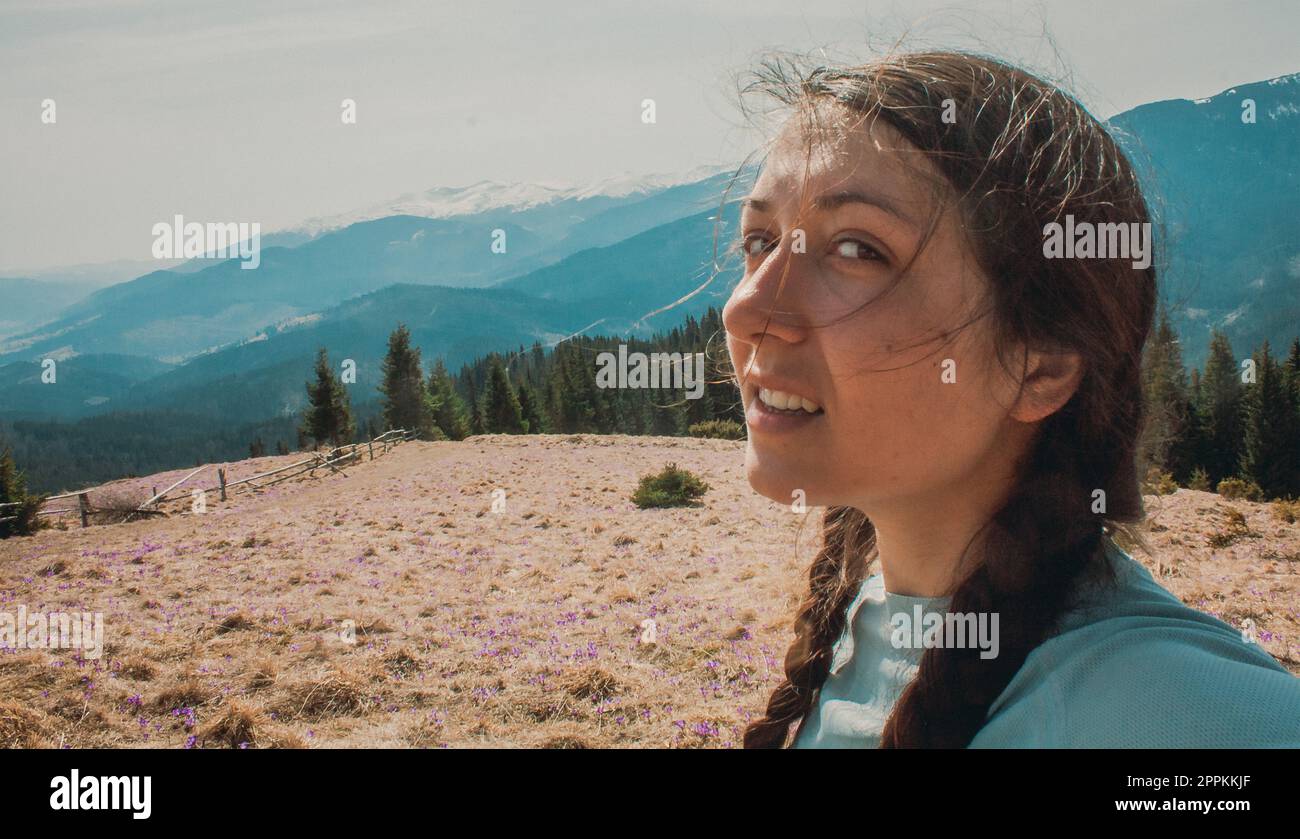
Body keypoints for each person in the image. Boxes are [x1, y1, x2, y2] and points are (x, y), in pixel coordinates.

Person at [720, 50, 1300, 748]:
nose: (747, 307)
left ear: (1041, 368)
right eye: (760, 240)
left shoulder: (1168, 707)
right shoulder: (867, 620)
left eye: (856, 249)